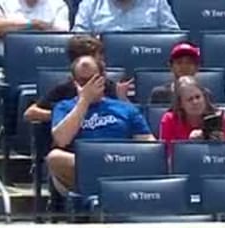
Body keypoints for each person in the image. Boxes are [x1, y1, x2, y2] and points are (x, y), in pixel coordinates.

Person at [46, 55, 153, 192]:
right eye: (83, 81)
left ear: (103, 77)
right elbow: (61, 140)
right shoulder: (64, 107)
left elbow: (148, 143)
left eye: (93, 79)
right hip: (86, 168)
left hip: (121, 163)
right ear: (74, 82)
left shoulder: (125, 108)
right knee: (55, 158)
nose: (89, 86)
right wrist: (84, 101)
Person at [0, 0, 72, 148]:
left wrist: (11, 28)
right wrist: (33, 25)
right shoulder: (2, 2)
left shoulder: (58, 5)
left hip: (42, 57)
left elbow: (60, 36)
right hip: (4, 57)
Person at [156, 75, 225, 148]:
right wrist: (189, 144)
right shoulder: (169, 120)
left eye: (198, 97)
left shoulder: (222, 119)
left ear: (204, 97)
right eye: (190, 99)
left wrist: (222, 143)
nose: (195, 102)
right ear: (180, 104)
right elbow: (167, 154)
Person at [71, 0, 179, 33]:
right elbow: (77, 39)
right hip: (102, 70)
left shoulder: (156, 3)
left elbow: (174, 36)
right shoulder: (90, 4)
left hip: (146, 63)